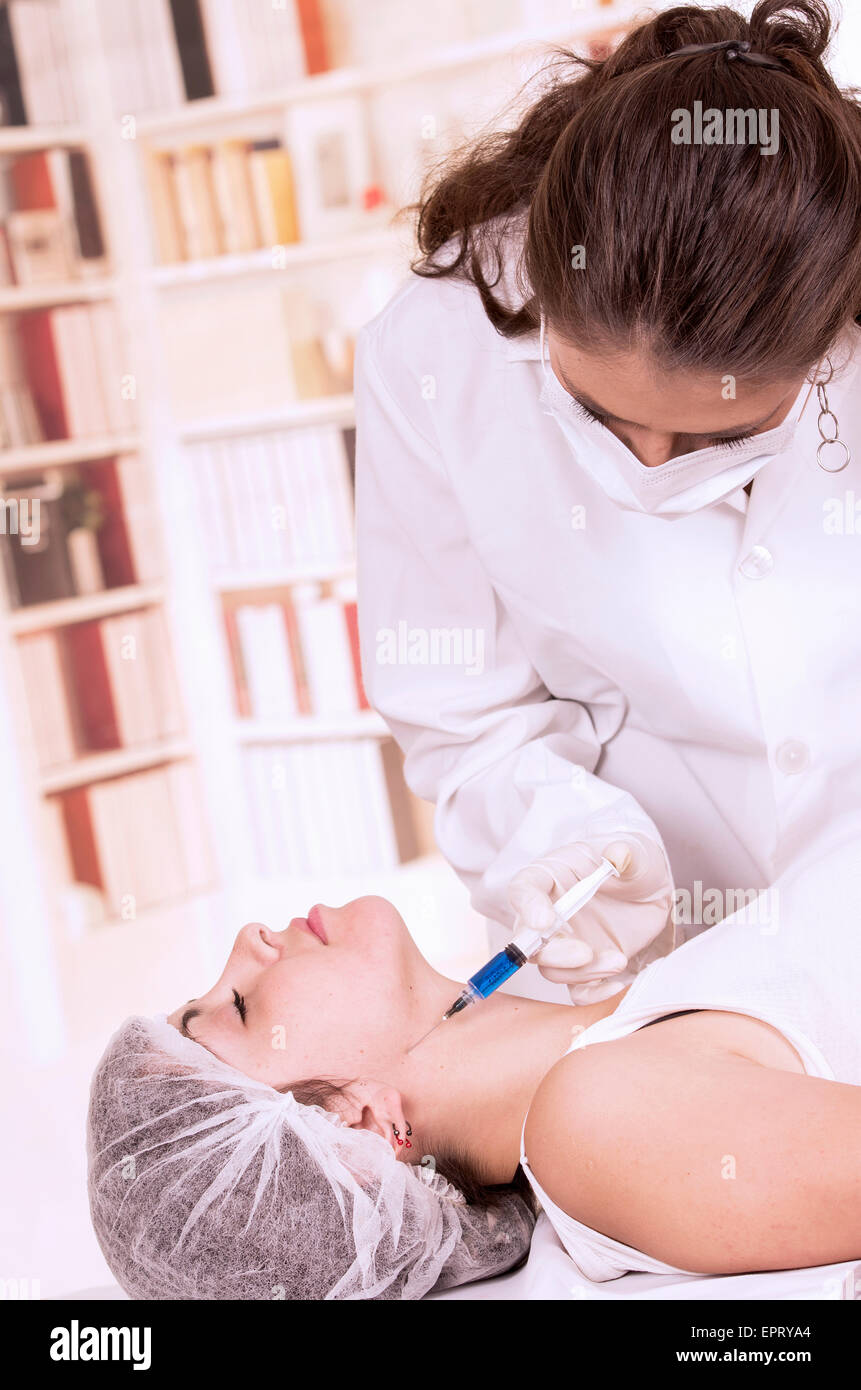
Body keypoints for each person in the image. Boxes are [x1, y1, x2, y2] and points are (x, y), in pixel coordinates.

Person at [354, 0, 861, 1004]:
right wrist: (561, 838)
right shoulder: (436, 352)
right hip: (658, 967)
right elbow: (462, 712)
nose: (647, 468)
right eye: (591, 412)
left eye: (720, 435)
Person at [87, 823, 861, 1298]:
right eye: (241, 1007)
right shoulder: (594, 1125)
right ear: (357, 1127)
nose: (247, 941)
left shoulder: (625, 1026)